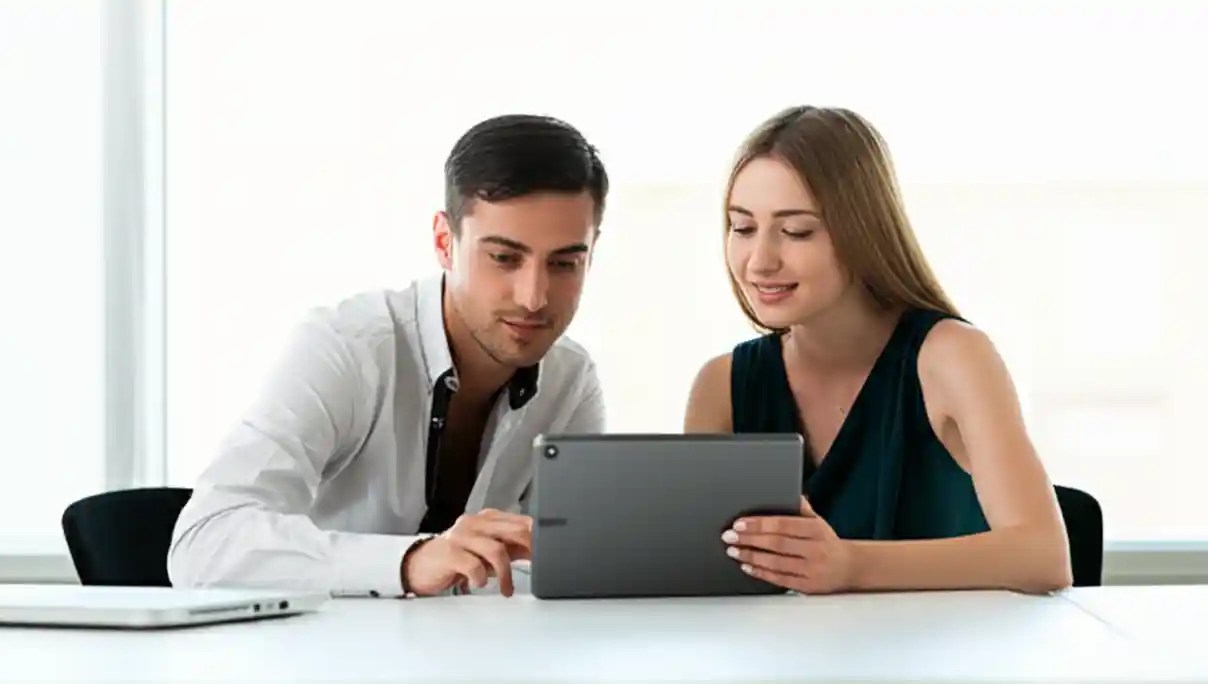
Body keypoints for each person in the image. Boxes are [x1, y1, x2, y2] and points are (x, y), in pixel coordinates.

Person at [169, 114, 609, 599]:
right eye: (504, 258)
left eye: (564, 263)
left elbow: (570, 565)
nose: (533, 297)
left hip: (483, 665)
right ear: (445, 242)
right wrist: (410, 561)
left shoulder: (571, 378)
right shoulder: (347, 347)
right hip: (322, 663)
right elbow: (203, 545)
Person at [685, 106, 1071, 595]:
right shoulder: (721, 385)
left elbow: (1044, 556)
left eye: (797, 231)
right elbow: (701, 577)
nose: (760, 261)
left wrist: (849, 565)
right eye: (742, 228)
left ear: (862, 231)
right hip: (781, 666)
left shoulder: (952, 357)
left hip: (942, 665)